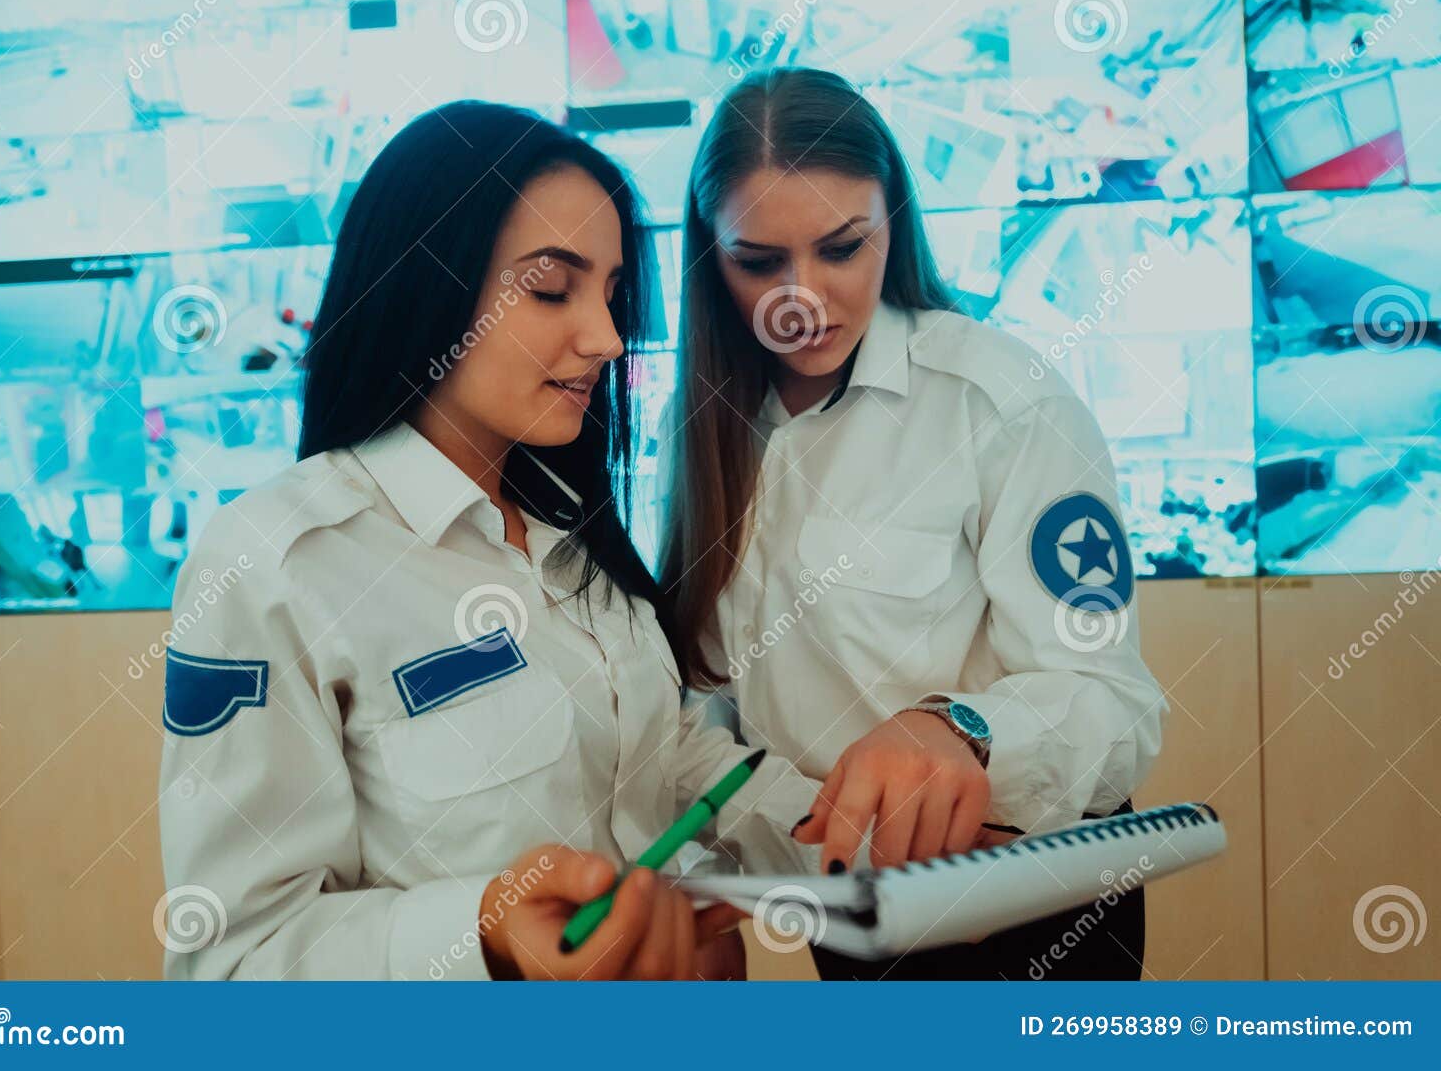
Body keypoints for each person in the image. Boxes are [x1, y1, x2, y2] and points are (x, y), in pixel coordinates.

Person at [157, 100, 818, 981]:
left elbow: (666, 760)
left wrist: (849, 826)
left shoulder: (575, 536)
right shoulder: (277, 563)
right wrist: (485, 930)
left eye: (612, 293)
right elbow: (231, 963)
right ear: (425, 284)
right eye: (550, 288)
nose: (607, 338)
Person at [658, 67, 1168, 979]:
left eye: (842, 248)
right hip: (851, 909)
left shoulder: (1002, 403)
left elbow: (1116, 706)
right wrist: (767, 847)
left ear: (894, 220)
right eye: (759, 261)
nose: (801, 298)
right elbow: (708, 705)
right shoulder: (698, 431)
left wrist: (956, 730)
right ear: (709, 255)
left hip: (1031, 910)